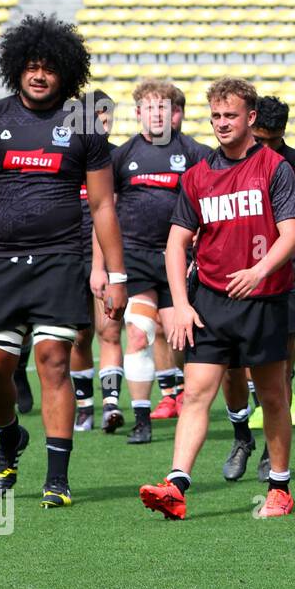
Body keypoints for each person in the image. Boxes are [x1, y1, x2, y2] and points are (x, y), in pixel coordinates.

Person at [0, 13, 127, 508]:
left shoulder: (83, 124)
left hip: (60, 259)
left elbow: (104, 204)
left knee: (53, 361)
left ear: (66, 73)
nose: (39, 75)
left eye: (49, 68)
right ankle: (8, 436)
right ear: (17, 67)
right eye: (32, 66)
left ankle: (57, 477)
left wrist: (115, 273)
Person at [138, 77, 295, 520]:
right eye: (215, 116)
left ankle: (280, 486)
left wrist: (259, 270)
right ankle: (176, 484)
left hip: (264, 299)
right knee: (195, 392)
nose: (221, 124)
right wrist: (180, 303)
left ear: (251, 117)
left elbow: (292, 233)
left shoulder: (275, 167)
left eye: (230, 115)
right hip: (210, 301)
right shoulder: (197, 176)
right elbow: (176, 244)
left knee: (272, 394)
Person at [95, 79, 206, 445]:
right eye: (149, 107)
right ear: (139, 112)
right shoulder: (121, 156)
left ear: (174, 114)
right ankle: (141, 416)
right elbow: (103, 213)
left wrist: (200, 255)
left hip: (180, 259)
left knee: (181, 335)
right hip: (136, 259)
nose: (156, 114)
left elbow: (208, 210)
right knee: (139, 334)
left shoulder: (196, 153)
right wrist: (100, 267)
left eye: (163, 107)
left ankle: (184, 400)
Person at [221, 95, 295, 481]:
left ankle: (270, 447)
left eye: (273, 141)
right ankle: (240, 437)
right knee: (231, 367)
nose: (265, 149)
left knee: (277, 364)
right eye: (260, 140)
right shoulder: (226, 159)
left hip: (283, 277)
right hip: (231, 274)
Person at [70, 90, 116, 433]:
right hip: (70, 256)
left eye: (107, 115)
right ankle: (84, 406)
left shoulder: (119, 157)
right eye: (96, 115)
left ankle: (111, 406)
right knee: (78, 336)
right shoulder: (67, 156)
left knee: (109, 329)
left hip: (106, 255)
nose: (103, 121)